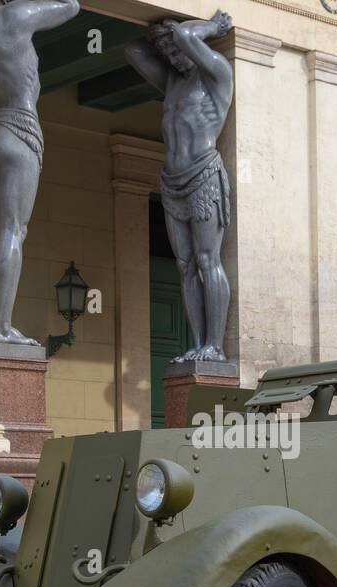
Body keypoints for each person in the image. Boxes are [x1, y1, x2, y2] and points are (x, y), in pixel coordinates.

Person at [126, 12, 234, 362]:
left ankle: (215, 346)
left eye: (177, 50)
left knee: (207, 260)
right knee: (186, 265)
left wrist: (210, 28)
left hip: (203, 175)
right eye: (168, 53)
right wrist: (162, 38)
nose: (173, 58)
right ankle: (198, 342)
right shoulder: (173, 82)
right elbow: (133, 50)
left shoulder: (217, 73)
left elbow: (188, 40)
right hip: (172, 182)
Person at [0, 0, 81, 344]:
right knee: (12, 230)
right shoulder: (15, 15)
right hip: (20, 128)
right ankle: (0, 326)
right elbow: (71, 6)